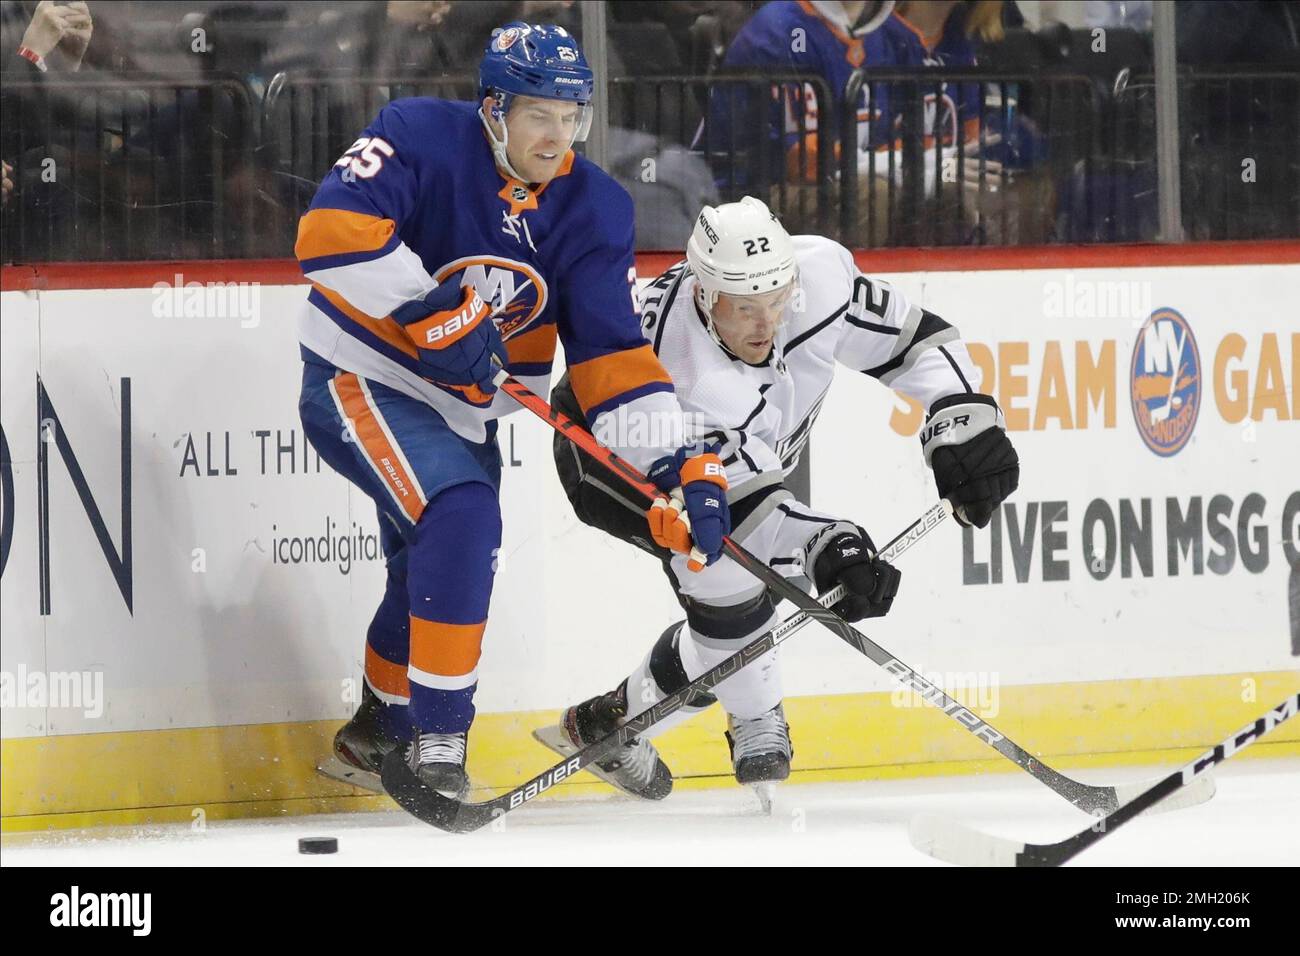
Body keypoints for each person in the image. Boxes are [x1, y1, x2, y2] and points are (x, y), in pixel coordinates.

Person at [295, 21, 732, 800]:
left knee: (430, 565)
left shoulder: (595, 206)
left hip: (463, 411)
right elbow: (329, 233)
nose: (557, 136)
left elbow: (612, 364)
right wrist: (431, 314)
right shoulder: (415, 133)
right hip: (359, 374)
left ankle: (376, 733)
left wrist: (676, 462)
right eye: (540, 115)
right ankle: (436, 743)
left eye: (572, 117)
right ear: (492, 109)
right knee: (462, 515)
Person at [542, 196, 1019, 800]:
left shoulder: (818, 277)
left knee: (741, 607)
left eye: (776, 301)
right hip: (615, 449)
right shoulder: (677, 370)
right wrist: (832, 544)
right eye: (745, 309)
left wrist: (960, 418)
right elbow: (747, 514)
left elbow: (911, 339)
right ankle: (754, 713)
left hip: (753, 456)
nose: (767, 325)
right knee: (726, 573)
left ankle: (609, 723)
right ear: (703, 295)